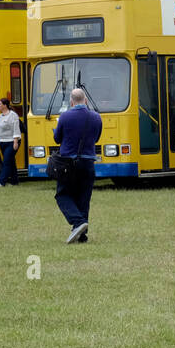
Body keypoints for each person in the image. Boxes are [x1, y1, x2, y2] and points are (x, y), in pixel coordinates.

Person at [52, 88, 102, 243]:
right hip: (88, 162)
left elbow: (57, 138)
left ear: (71, 101)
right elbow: (97, 138)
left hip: (69, 163)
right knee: (83, 198)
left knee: (62, 195)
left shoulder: (65, 117)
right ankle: (82, 236)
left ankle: (78, 222)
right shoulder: (96, 117)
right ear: (85, 100)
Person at [0, 97, 21, 187]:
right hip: (2, 142)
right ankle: (14, 181)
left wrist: (15, 142)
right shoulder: (1, 116)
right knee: (11, 161)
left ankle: (1, 182)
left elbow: (16, 129)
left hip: (11, 142)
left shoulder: (13, 115)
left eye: (0, 104)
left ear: (5, 105)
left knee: (6, 161)